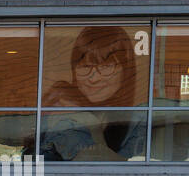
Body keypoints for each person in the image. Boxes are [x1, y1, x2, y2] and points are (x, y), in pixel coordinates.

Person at [41, 26, 145, 162]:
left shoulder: (138, 120)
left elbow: (128, 175)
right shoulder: (62, 106)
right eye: (85, 66)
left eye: (106, 66)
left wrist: (90, 124)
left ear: (126, 70)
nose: (94, 78)